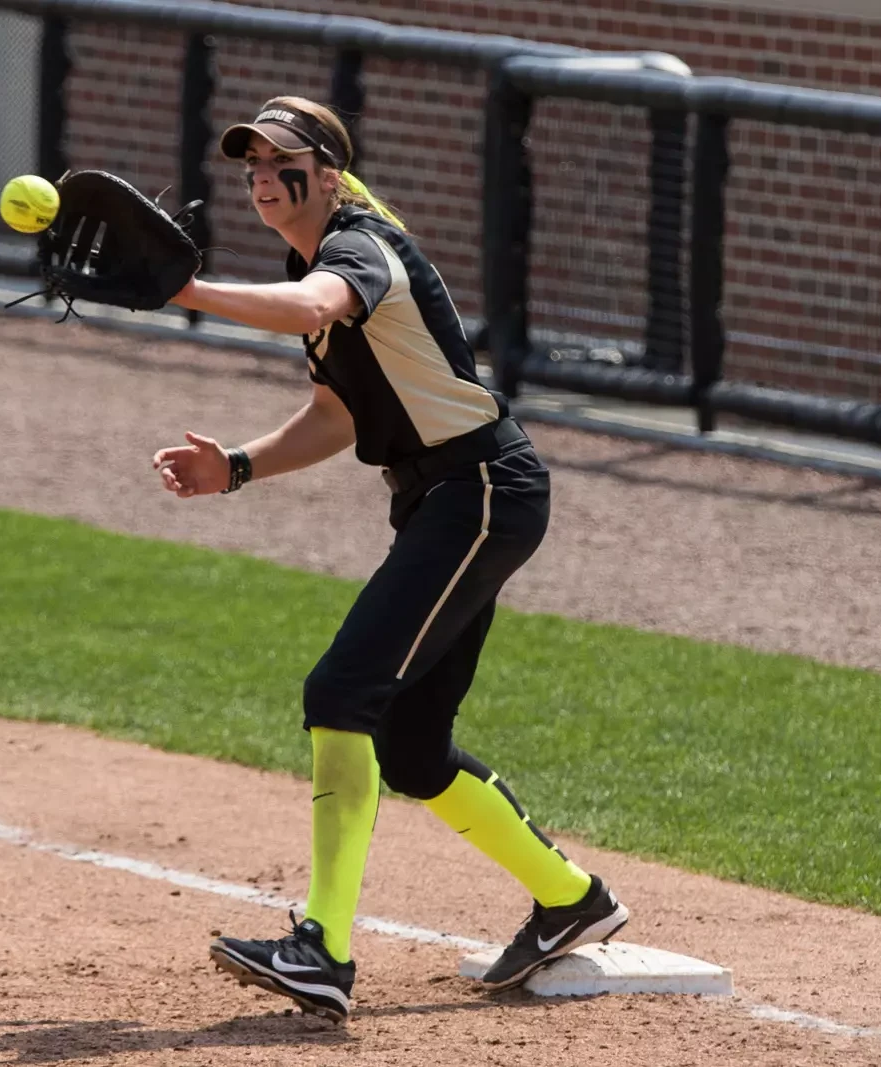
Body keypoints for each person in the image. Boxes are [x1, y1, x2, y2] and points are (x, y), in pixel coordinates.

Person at [152, 97, 630, 1024]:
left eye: (277, 160)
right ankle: (574, 899)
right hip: (445, 504)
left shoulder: (358, 251)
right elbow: (339, 413)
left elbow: (312, 304)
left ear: (327, 173)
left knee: (341, 693)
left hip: (481, 491)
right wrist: (240, 464)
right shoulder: (316, 259)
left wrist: (189, 291)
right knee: (410, 746)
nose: (258, 176)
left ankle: (321, 950)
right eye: (247, 164)